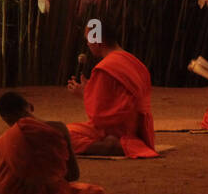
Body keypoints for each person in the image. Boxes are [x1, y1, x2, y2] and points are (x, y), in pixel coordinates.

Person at [0, 91, 105, 194]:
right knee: (96, 193)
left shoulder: (8, 139)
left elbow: (2, 185)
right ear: (31, 106)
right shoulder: (59, 128)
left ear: (5, 118)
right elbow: (73, 174)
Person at [66, 20, 159, 157]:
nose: (88, 44)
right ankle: (122, 142)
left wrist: (85, 94)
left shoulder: (106, 68)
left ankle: (109, 146)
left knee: (63, 134)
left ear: (98, 41)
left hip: (116, 129)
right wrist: (90, 91)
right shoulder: (135, 62)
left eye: (88, 40)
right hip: (137, 128)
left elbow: (99, 115)